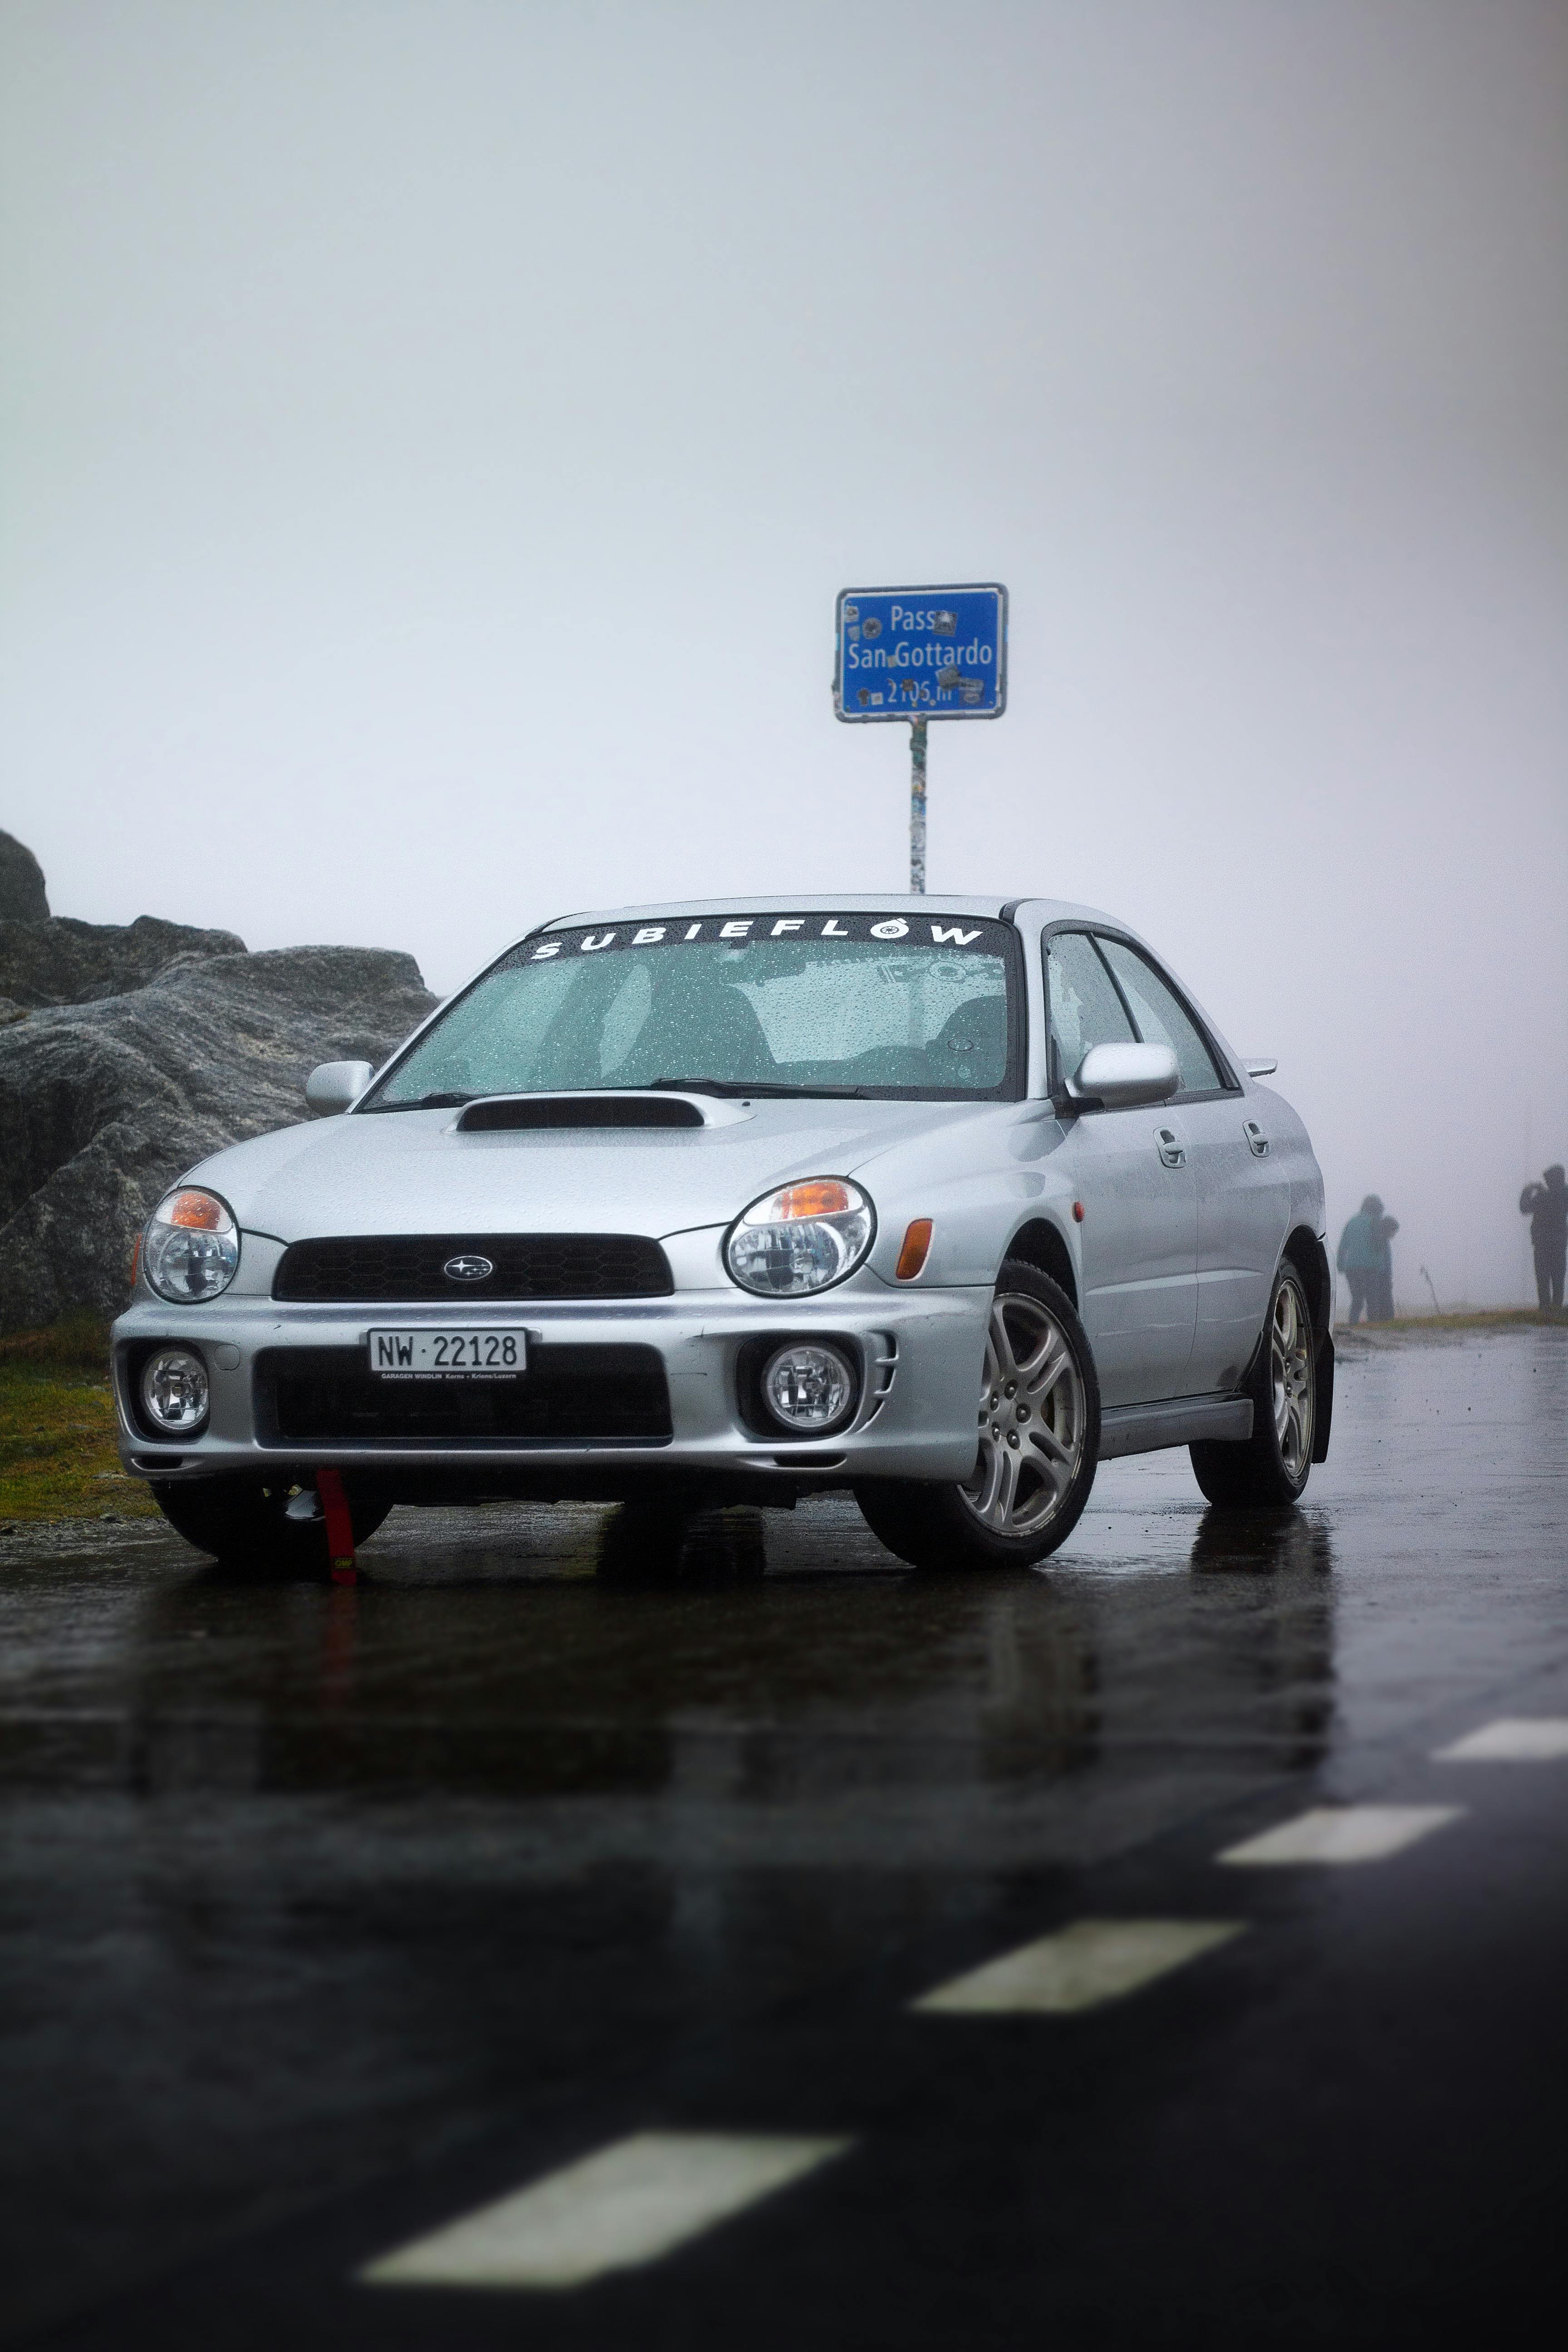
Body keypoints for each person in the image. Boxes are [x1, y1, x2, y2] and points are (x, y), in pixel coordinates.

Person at [1519, 1164, 1567, 1311]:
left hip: (1543, 1243)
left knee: (1544, 1276)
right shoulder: (1562, 1194)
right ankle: (1555, 1307)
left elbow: (1525, 1208)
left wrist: (1528, 1190)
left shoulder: (1544, 1196)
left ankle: (1546, 1307)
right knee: (1556, 1275)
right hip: (1556, 1242)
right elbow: (1526, 1209)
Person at [1338, 1195, 1391, 1324]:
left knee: (1357, 1299)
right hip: (1371, 1267)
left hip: (1352, 1268)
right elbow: (1381, 1247)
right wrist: (1386, 1270)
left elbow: (1343, 1245)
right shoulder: (1376, 1222)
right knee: (1373, 1299)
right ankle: (1374, 1326)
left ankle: (1353, 1324)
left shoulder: (1352, 1222)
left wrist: (1340, 1265)